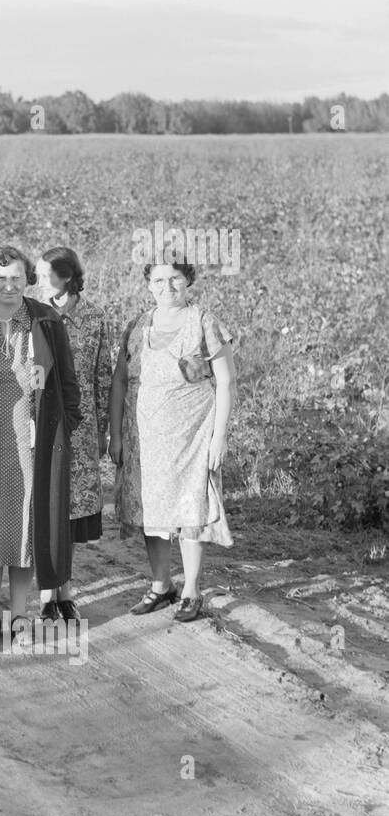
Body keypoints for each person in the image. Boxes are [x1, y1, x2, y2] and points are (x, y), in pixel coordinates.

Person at [0, 245, 80, 650]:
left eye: (17, 278)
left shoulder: (46, 321)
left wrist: (59, 434)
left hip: (31, 445)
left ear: (28, 280)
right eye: (1, 278)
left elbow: (69, 388)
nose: (9, 286)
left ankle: (21, 617)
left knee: (26, 532)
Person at [111, 262, 236, 622]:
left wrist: (219, 436)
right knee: (152, 511)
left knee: (189, 507)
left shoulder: (204, 322)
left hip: (192, 435)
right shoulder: (137, 327)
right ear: (148, 285)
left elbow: (226, 382)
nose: (167, 287)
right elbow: (120, 381)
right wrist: (116, 433)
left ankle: (192, 589)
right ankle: (161, 585)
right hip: (144, 437)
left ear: (188, 281)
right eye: (158, 280)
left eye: (175, 278)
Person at [34, 247, 113, 621]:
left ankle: (65, 589)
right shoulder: (35, 314)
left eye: (47, 273)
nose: (40, 280)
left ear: (66, 276)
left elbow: (102, 375)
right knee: (45, 503)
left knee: (71, 510)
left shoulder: (95, 317)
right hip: (42, 422)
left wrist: (102, 432)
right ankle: (47, 591)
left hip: (79, 427)